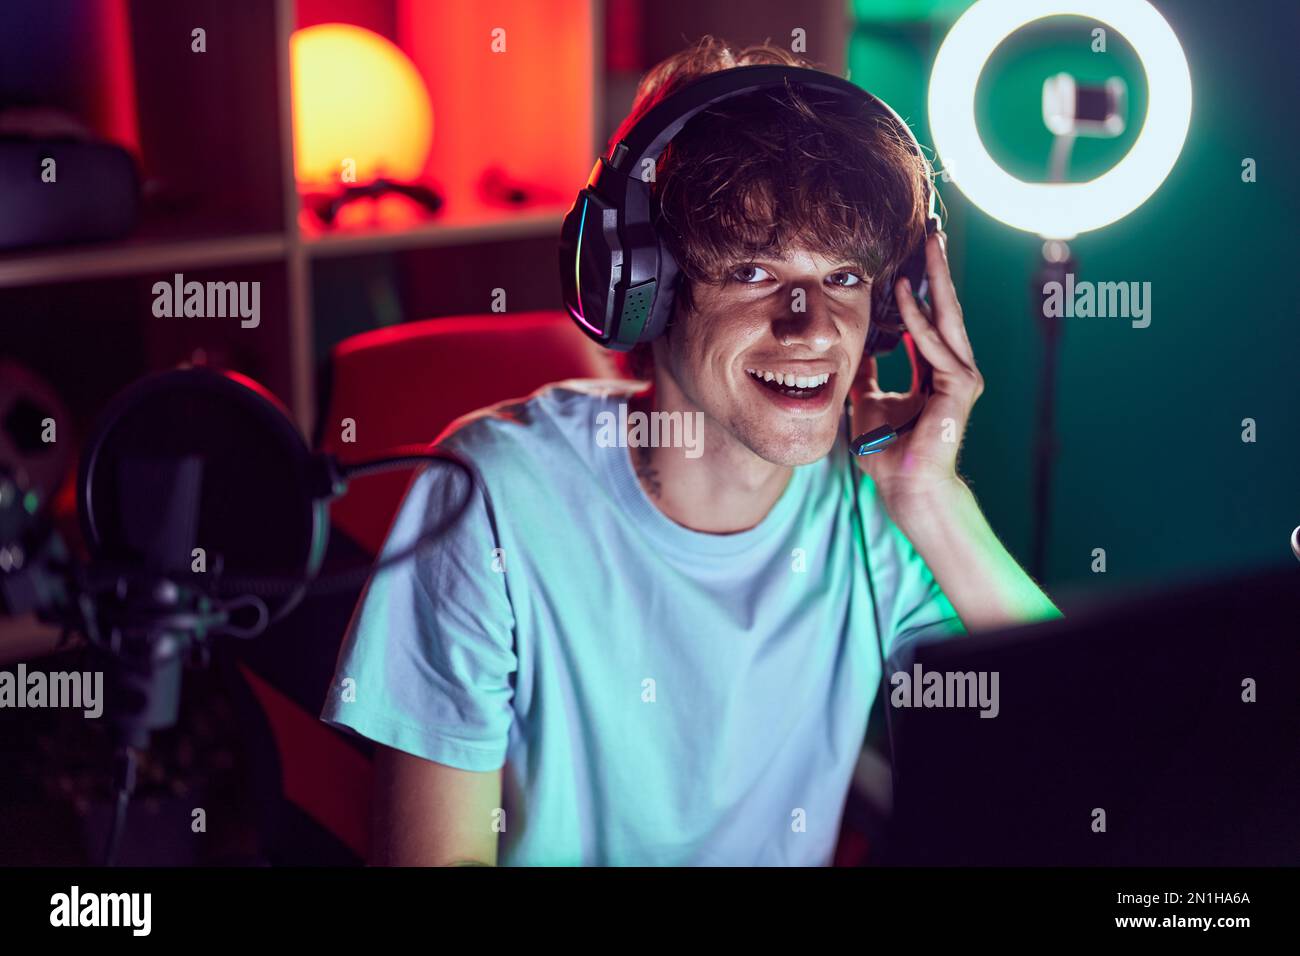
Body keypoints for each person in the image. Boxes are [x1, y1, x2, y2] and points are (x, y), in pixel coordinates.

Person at [320, 38, 1061, 866]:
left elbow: (1108, 741)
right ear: (641, 288)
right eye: (751, 269)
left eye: (846, 278)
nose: (812, 326)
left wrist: (935, 498)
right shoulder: (492, 495)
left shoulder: (877, 508)